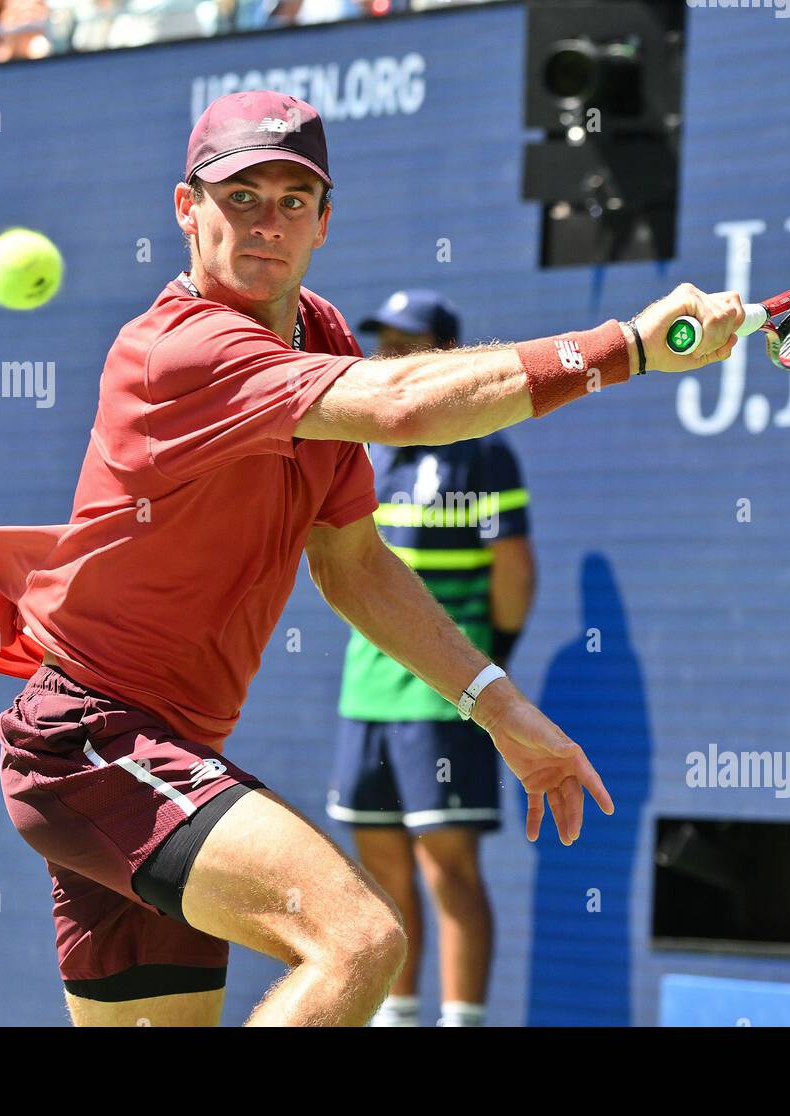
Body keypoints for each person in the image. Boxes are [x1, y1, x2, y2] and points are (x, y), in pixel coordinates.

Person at [0, 89, 745, 1027]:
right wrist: (628, 346)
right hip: (94, 745)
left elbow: (352, 563)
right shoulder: (175, 351)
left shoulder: (319, 329)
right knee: (359, 942)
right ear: (186, 210)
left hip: (165, 754)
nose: (267, 223)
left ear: (324, 222)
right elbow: (405, 407)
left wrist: (503, 712)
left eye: (293, 200)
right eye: (240, 197)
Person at [327, 291, 534, 1027]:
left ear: (446, 353)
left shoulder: (485, 449)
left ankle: (463, 1021)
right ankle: (398, 1016)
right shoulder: (367, 449)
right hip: (367, 691)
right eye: (384, 340)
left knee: (450, 868)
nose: (389, 355)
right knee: (379, 869)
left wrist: (485, 666)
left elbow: (513, 570)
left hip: (446, 696)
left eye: (408, 342)